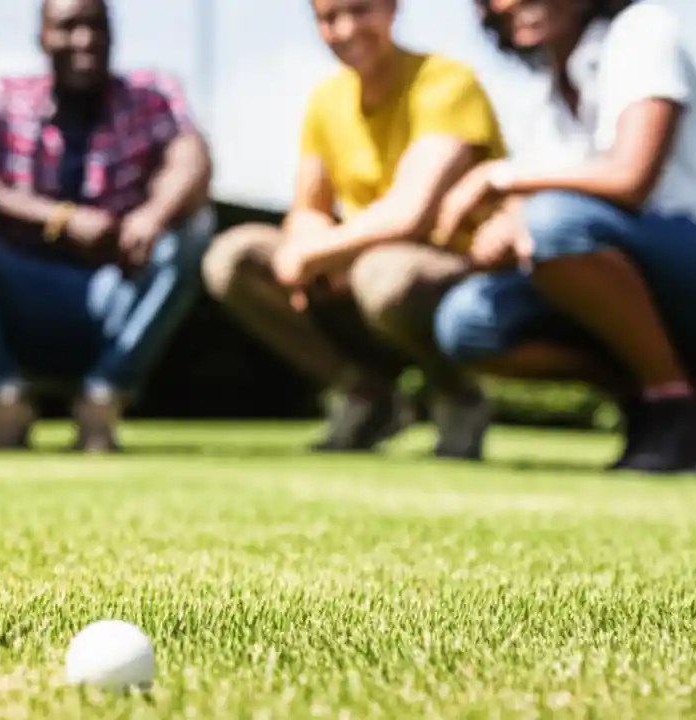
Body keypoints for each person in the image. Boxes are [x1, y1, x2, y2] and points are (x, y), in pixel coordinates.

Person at [432, 0, 696, 473]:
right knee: (468, 320)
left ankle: (676, 410)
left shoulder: (641, 31)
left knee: (554, 223)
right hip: (647, 292)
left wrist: (501, 180)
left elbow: (629, 179)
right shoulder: (541, 96)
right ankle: (650, 393)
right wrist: (502, 230)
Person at [200, 0, 505, 457]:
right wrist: (312, 246)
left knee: (383, 272)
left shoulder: (447, 83)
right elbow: (307, 206)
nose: (345, 29)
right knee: (232, 257)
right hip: (357, 270)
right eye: (328, 18)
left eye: (360, 10)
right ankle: (366, 396)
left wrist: (323, 254)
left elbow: (412, 213)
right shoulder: (327, 100)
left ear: (392, 9)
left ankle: (457, 394)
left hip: (445, 273)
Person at [0, 0, 213, 453]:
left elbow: (192, 157)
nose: (84, 40)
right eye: (68, 27)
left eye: (96, 26)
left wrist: (151, 215)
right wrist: (59, 218)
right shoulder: (4, 96)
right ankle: (6, 398)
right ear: (42, 37)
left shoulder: (152, 93)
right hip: (17, 288)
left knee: (194, 229)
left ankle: (102, 400)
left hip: (113, 290)